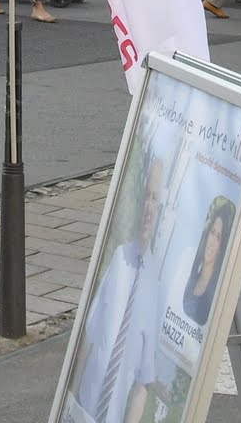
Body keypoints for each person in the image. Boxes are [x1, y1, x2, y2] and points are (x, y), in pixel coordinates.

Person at [70, 161, 167, 423]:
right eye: (146, 196)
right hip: (83, 409)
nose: (149, 207)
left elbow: (142, 384)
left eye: (155, 198)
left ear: (162, 209)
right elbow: (88, 336)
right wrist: (69, 399)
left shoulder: (157, 286)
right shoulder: (120, 256)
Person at [180, 197, 236, 327]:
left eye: (218, 237)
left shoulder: (216, 292)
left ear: (221, 248)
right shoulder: (191, 275)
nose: (212, 242)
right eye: (212, 232)